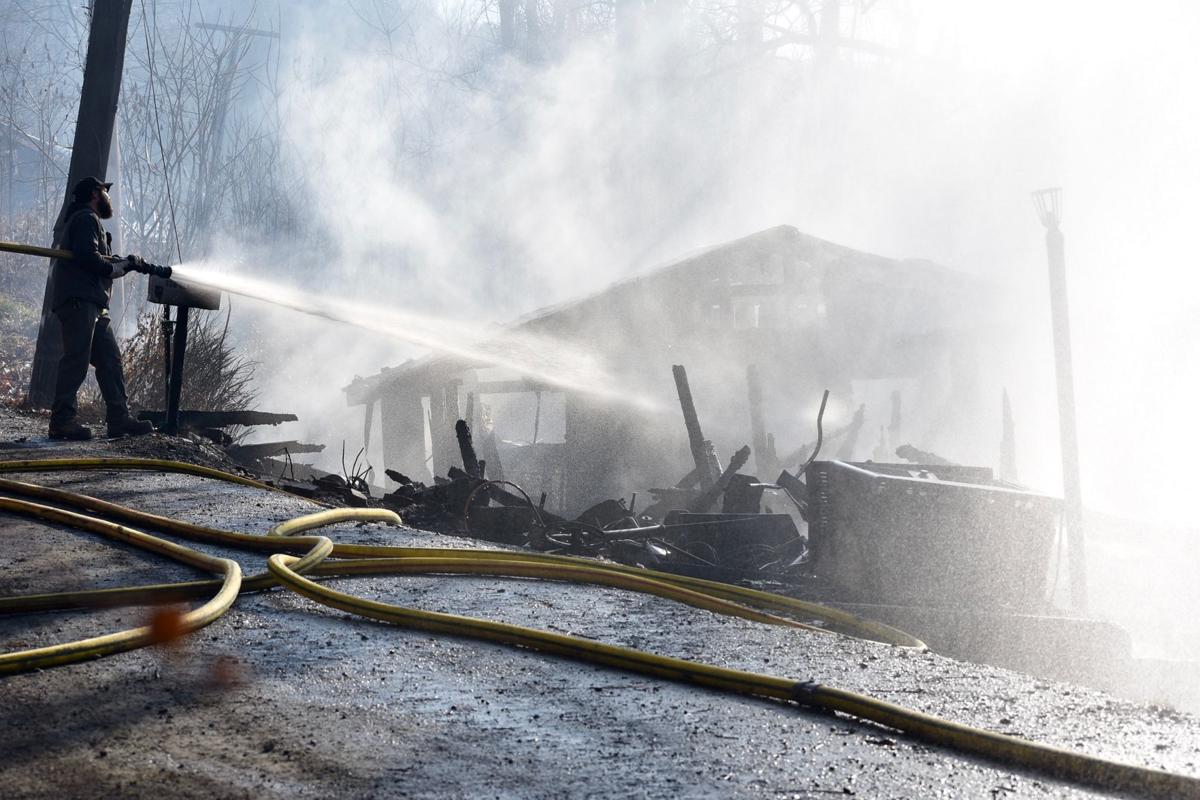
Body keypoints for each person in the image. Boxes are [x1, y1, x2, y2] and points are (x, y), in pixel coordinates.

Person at [47, 176, 154, 441]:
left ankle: (119, 419)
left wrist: (124, 263)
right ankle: (61, 421)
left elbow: (98, 258)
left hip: (92, 303)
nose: (108, 197)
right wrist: (118, 267)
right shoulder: (86, 218)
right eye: (106, 192)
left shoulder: (85, 220)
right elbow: (89, 257)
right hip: (79, 301)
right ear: (96, 193)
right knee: (76, 360)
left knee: (110, 360)